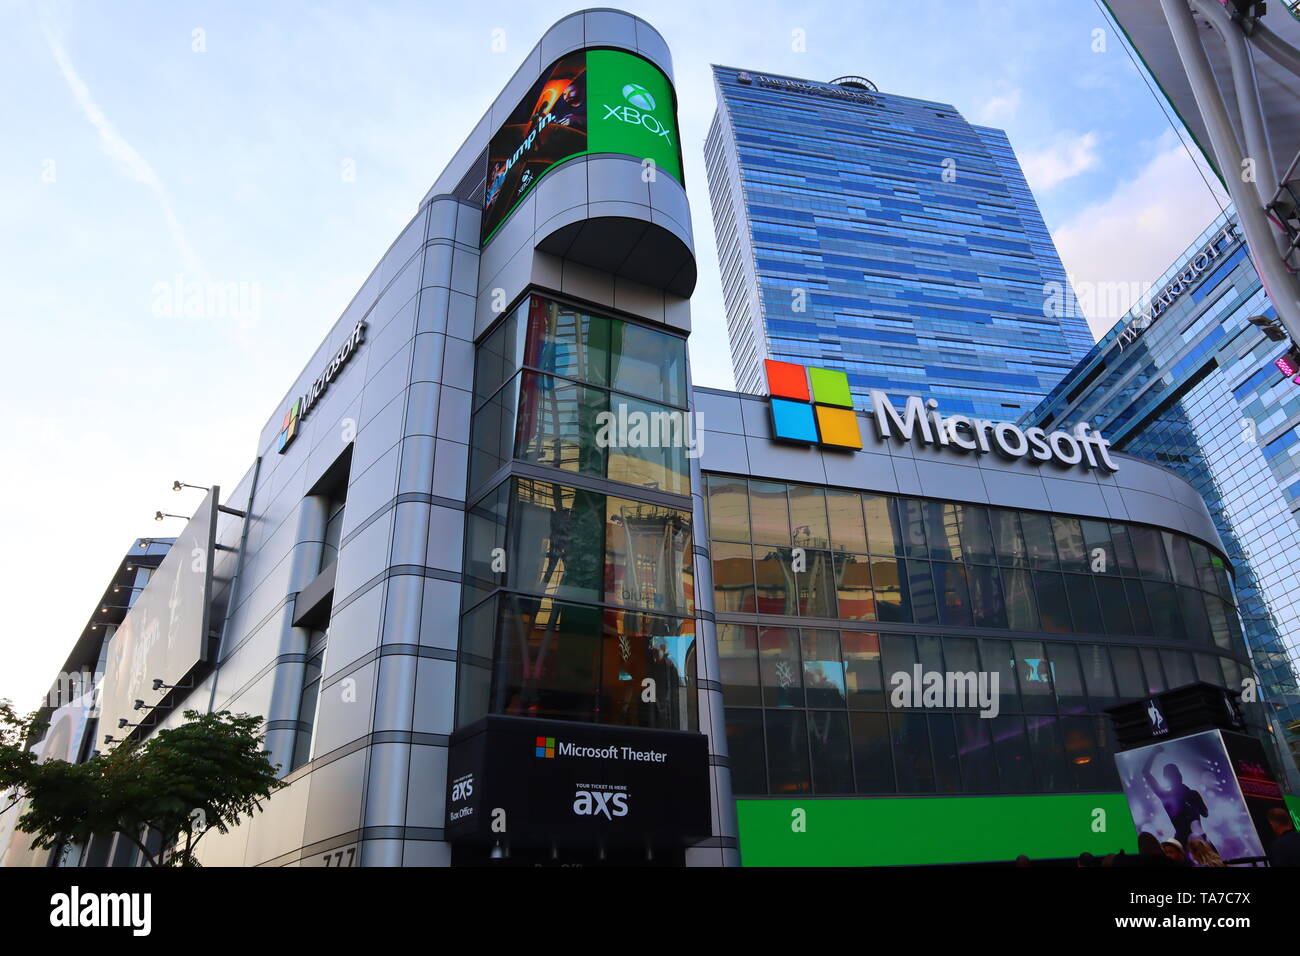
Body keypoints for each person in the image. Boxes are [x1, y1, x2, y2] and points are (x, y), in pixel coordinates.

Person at [1140, 745, 1209, 847]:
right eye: (1173, 774)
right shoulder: (1172, 795)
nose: (1176, 776)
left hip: (1190, 841)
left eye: (1175, 773)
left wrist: (1154, 753)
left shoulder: (1172, 795)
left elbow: (1205, 813)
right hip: (1195, 841)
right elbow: (1205, 813)